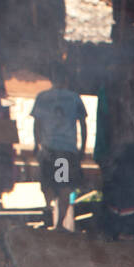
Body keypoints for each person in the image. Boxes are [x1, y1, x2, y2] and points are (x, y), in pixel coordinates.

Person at [96, 41, 134, 239]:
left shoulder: (111, 76)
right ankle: (128, 229)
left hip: (116, 139)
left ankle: (113, 228)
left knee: (117, 183)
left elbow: (104, 109)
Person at [30, 63, 87, 231]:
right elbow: (83, 124)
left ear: (52, 78)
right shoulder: (75, 98)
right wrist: (82, 148)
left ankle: (48, 208)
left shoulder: (42, 97)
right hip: (65, 151)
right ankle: (59, 225)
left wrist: (36, 144)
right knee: (63, 186)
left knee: (47, 183)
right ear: (67, 79)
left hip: (48, 150)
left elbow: (37, 124)